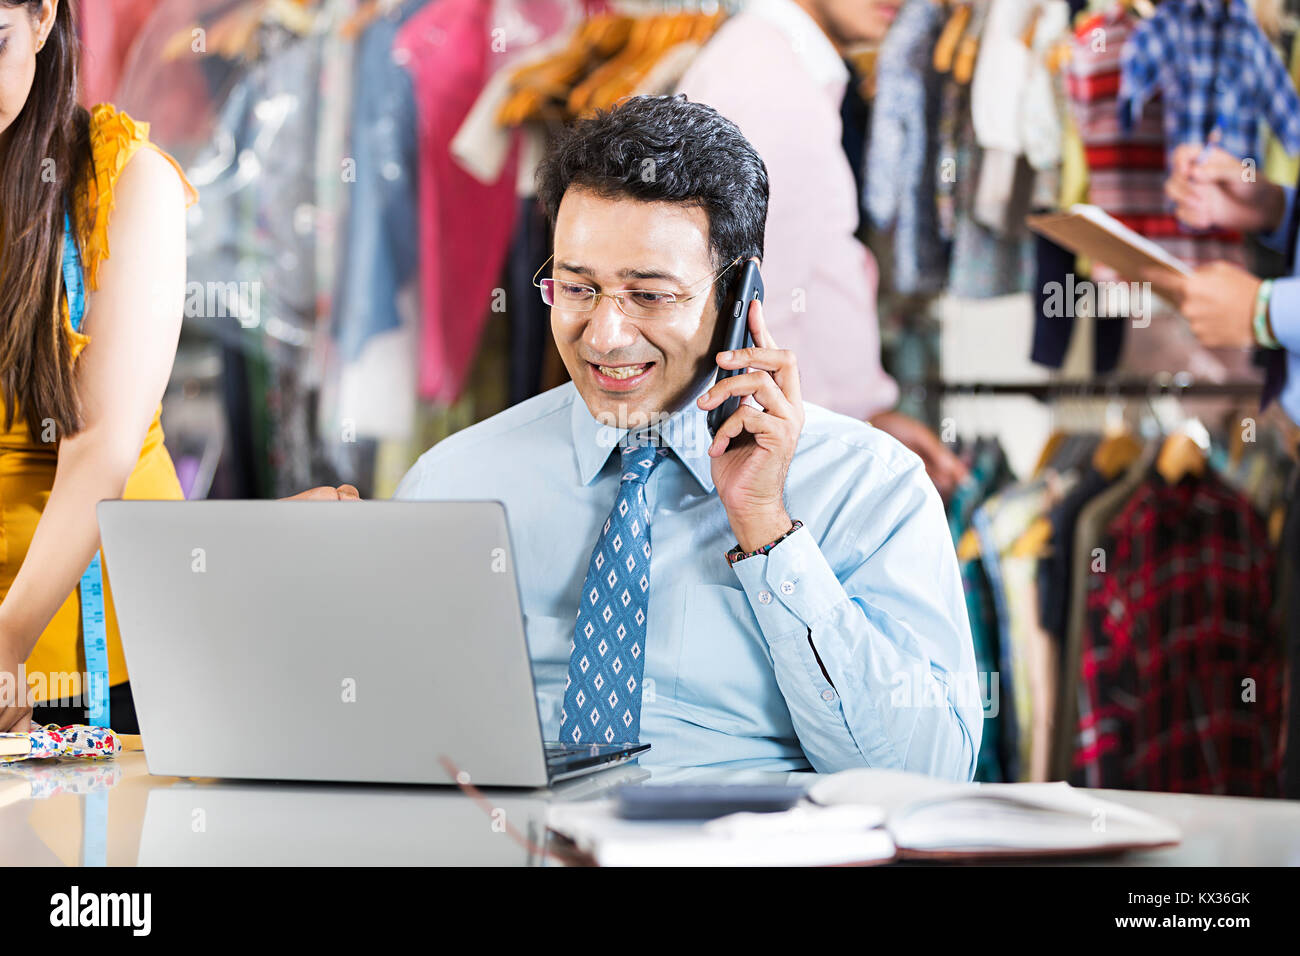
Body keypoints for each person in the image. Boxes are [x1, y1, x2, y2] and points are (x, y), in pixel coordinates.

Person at [388, 96, 979, 777]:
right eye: (578, 289)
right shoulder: (455, 482)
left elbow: (925, 778)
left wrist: (767, 531)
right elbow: (393, 740)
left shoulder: (870, 487)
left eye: (649, 295)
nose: (605, 336)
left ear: (738, 300)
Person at [674, 0, 971, 496]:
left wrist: (866, 423)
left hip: (809, 446)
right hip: (792, 463)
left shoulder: (782, 68)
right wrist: (834, 446)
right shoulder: (767, 79)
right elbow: (753, 308)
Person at [0, 0, 194, 733]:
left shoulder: (123, 183)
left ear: (45, 15)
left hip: (115, 663)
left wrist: (9, 638)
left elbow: (100, 447)